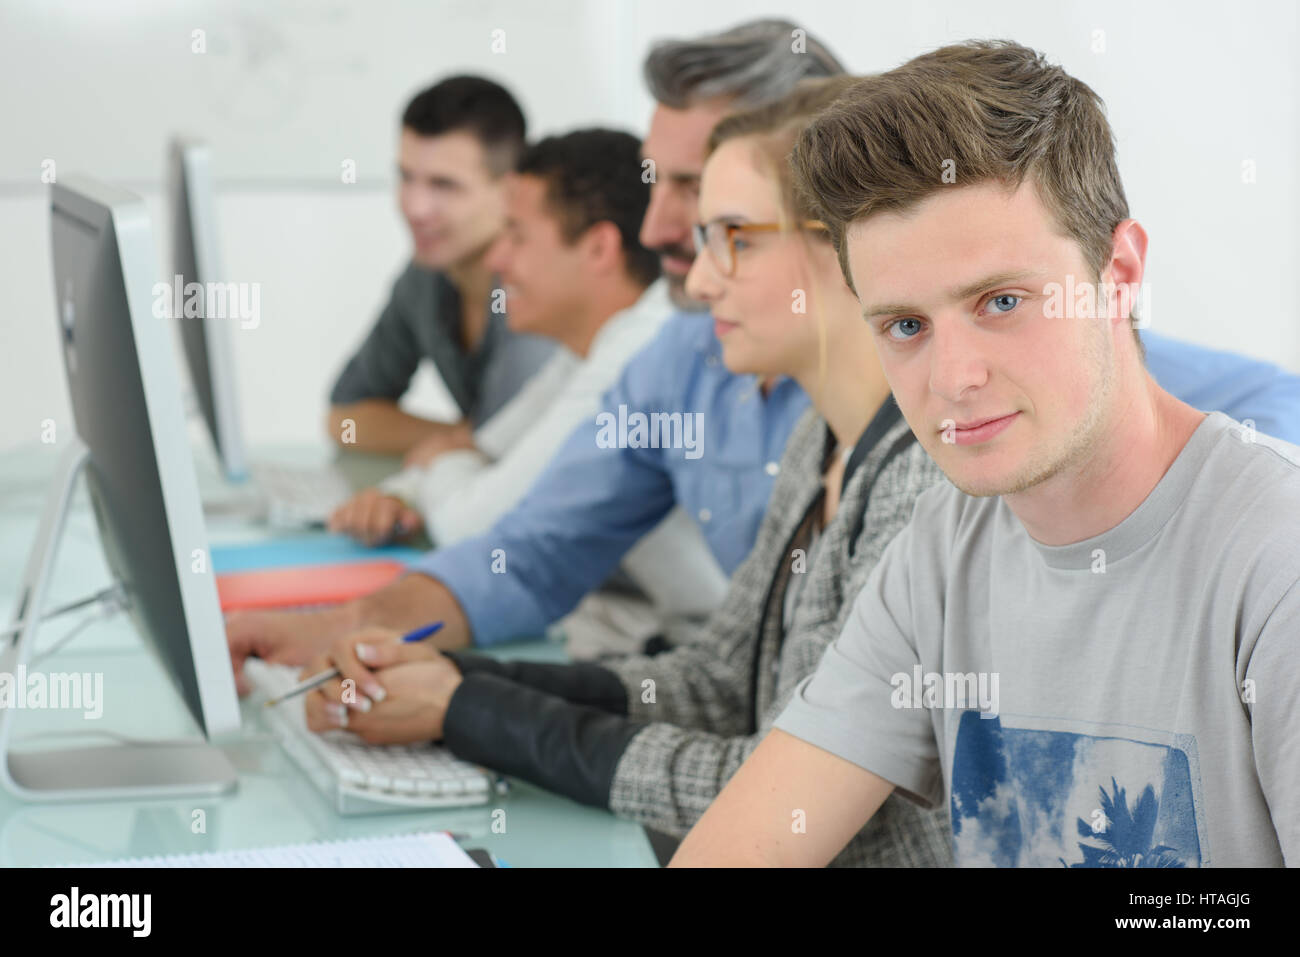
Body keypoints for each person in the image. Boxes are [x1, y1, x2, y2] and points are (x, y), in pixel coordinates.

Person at [227, 21, 1300, 685]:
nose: (663, 241)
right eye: (668, 199)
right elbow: (534, 553)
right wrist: (350, 630)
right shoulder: (685, 364)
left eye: (706, 206)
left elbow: (1247, 427)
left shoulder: (996, 375)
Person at [671, 40, 1300, 868]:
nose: (953, 378)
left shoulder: (1274, 561)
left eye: (1001, 301)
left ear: (1119, 271)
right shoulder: (943, 547)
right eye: (906, 326)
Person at [298, 77, 953, 866]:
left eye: (735, 237)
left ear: (846, 242)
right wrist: (459, 679)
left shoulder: (923, 485)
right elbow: (720, 683)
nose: (701, 277)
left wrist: (471, 710)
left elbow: (773, 790)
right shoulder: (825, 440)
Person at [326, 75, 554, 465]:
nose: (414, 208)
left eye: (444, 185)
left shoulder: (544, 288)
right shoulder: (427, 275)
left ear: (510, 190)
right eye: (406, 177)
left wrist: (478, 441)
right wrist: (463, 438)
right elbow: (346, 418)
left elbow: (523, 451)